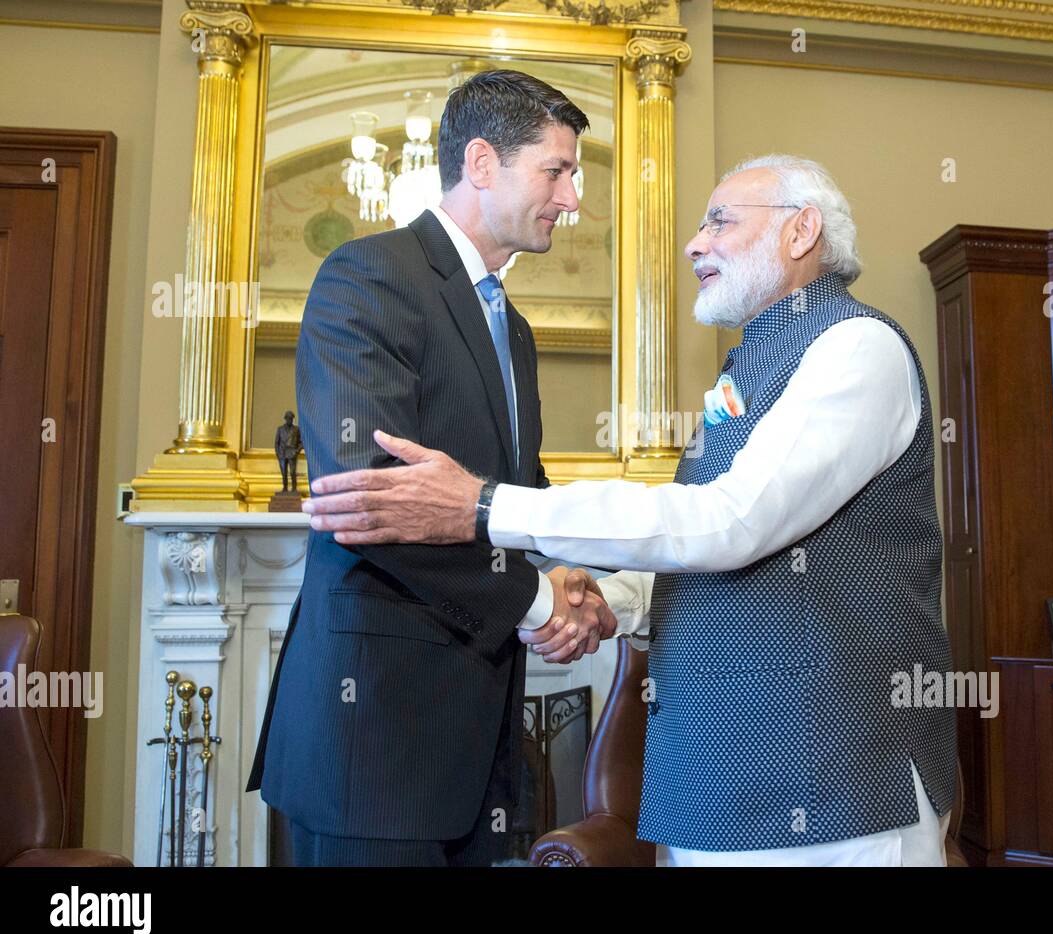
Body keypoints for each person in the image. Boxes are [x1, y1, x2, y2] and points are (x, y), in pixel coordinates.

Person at [304, 155, 959, 866]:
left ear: (803, 231)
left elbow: (731, 523)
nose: (694, 242)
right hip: (719, 786)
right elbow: (724, 553)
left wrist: (484, 505)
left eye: (720, 220)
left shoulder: (856, 348)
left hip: (834, 787)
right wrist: (610, 599)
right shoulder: (756, 360)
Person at [245, 70, 618, 866]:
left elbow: (516, 494)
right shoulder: (368, 274)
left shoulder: (510, 324)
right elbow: (371, 499)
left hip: (478, 748)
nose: (573, 197)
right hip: (376, 747)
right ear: (482, 163)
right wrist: (536, 599)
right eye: (557, 170)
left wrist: (577, 575)